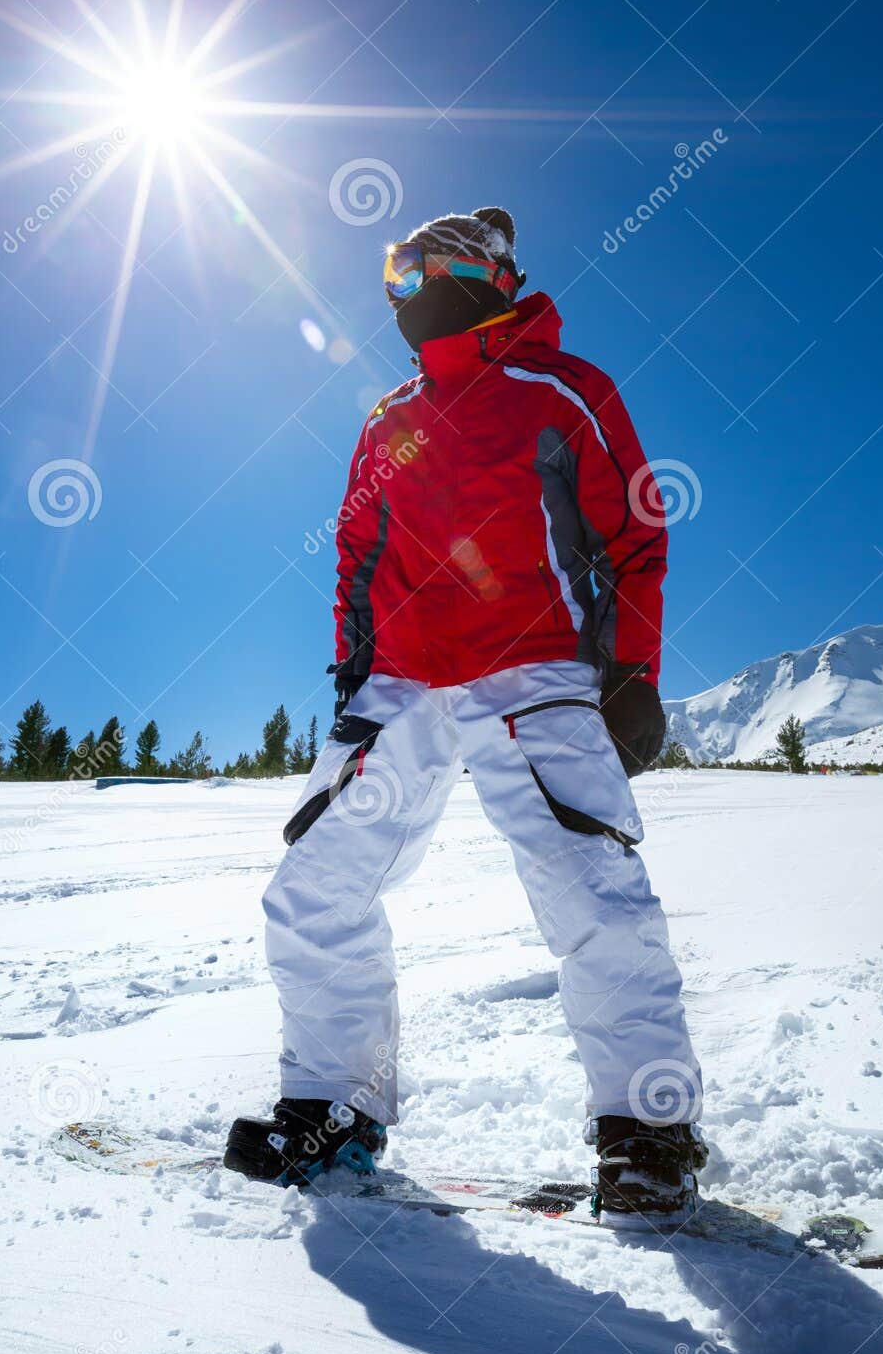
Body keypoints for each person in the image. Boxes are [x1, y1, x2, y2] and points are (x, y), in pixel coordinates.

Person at [224, 207, 704, 1220]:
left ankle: (644, 1128)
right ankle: (333, 1106)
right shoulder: (385, 417)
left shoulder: (563, 390)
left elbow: (630, 534)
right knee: (312, 888)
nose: (401, 294)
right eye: (389, 280)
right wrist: (357, 679)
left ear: (484, 271)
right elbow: (356, 556)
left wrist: (629, 675)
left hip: (533, 669)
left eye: (417, 272)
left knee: (590, 887)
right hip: (401, 681)